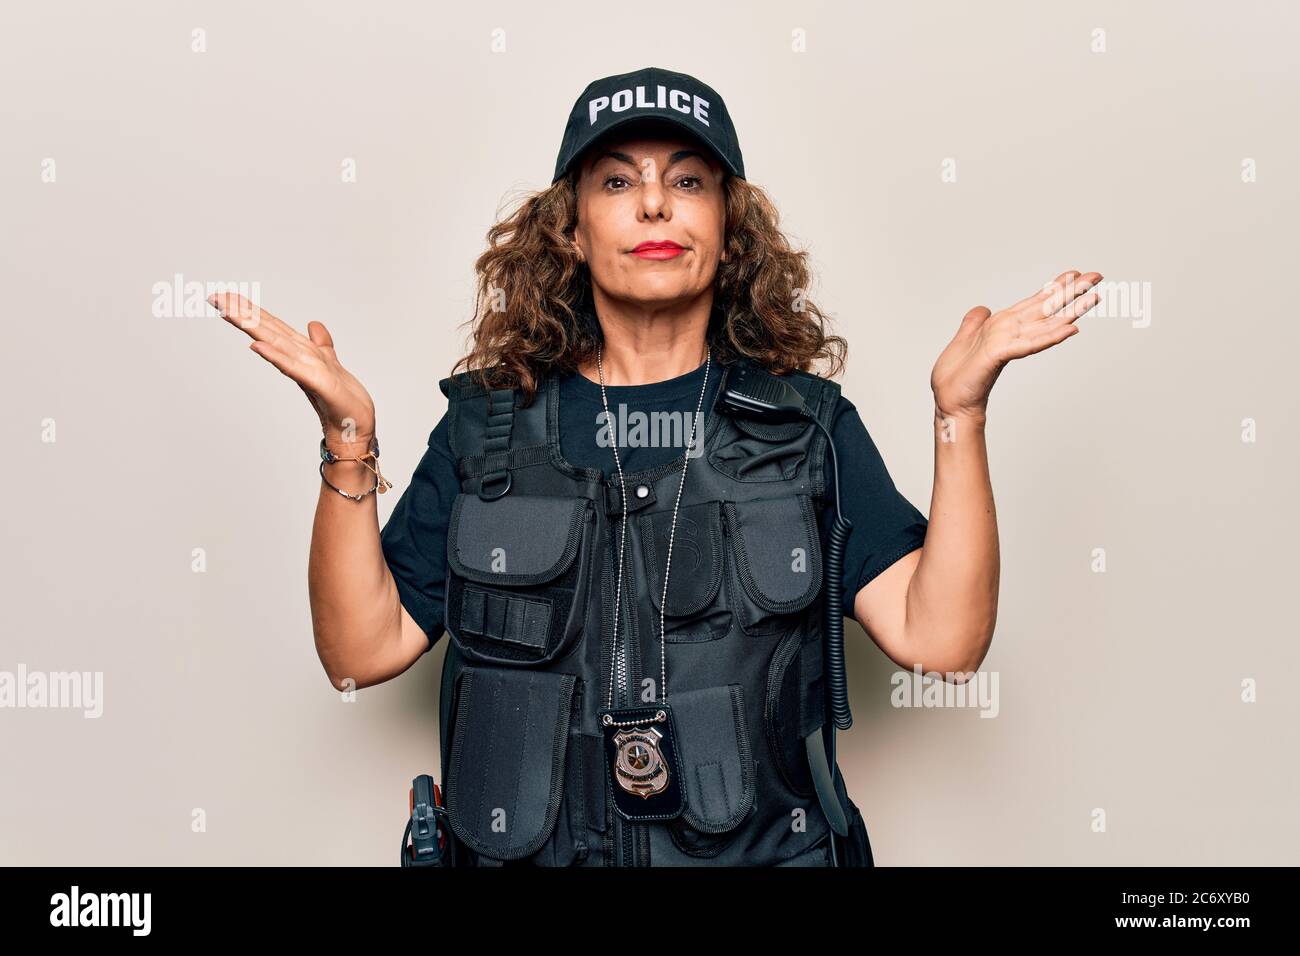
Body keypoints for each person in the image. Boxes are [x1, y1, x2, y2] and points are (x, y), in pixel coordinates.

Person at [208, 66, 1101, 866]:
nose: (654, 206)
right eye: (617, 181)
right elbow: (360, 653)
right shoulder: (485, 428)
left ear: (729, 226)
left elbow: (941, 643)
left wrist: (962, 415)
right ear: (570, 231)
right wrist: (348, 440)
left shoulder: (804, 428)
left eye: (687, 181)